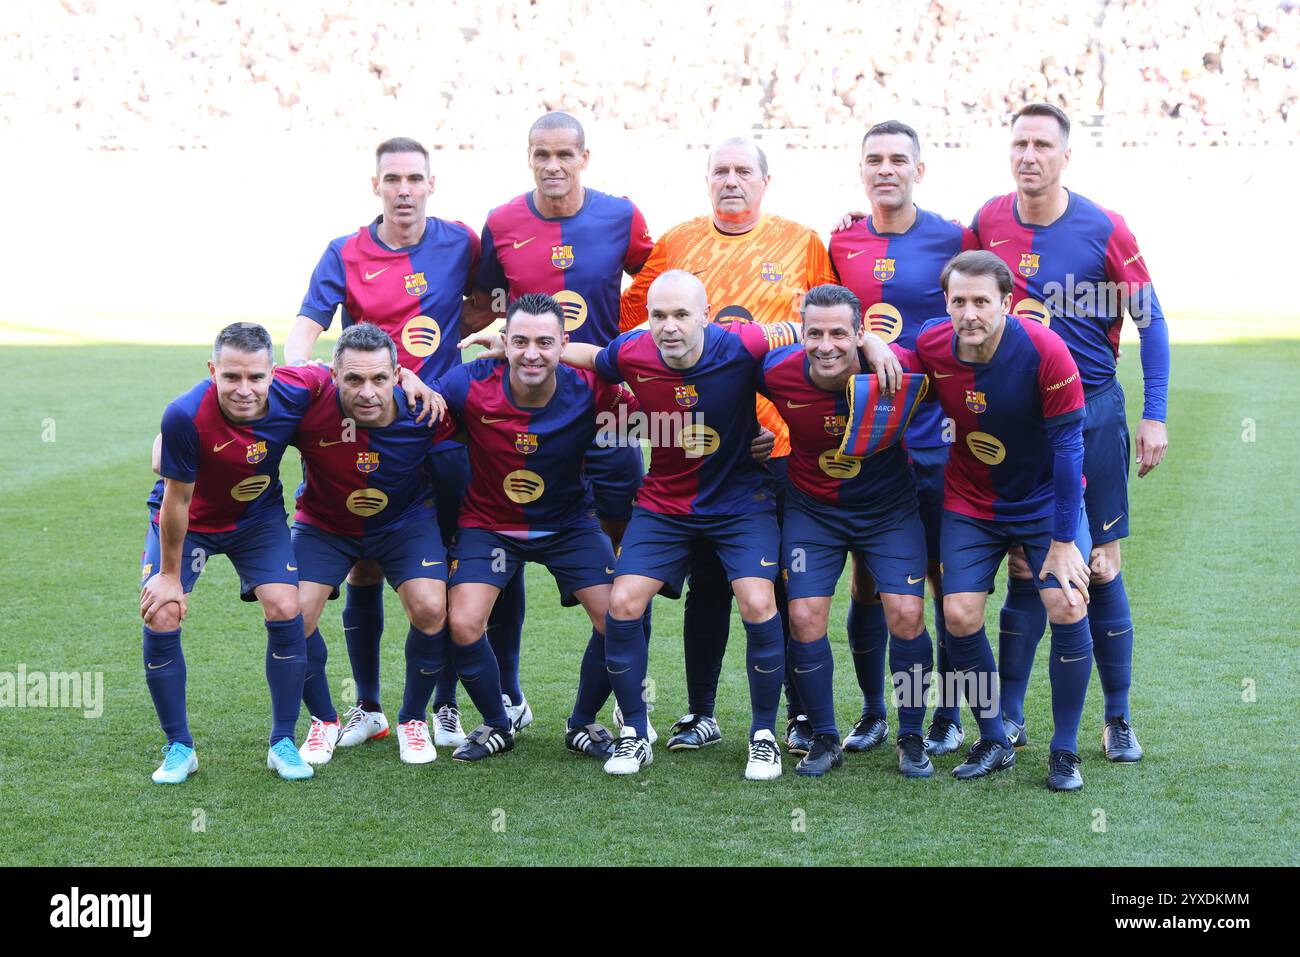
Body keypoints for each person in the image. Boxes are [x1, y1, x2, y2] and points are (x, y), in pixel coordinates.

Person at [619, 138, 838, 756]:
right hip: (700, 454)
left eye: (745, 171)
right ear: (706, 180)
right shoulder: (677, 244)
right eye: (721, 171)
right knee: (711, 585)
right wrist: (654, 411)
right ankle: (701, 711)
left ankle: (795, 717)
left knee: (781, 587)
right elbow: (635, 326)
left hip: (784, 445)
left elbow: (829, 325)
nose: (732, 181)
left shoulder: (804, 242)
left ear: (767, 182)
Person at [972, 104, 1169, 761]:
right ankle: (1011, 716)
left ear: (1065, 156)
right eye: (1019, 144)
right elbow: (939, 275)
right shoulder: (988, 220)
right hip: (1018, 423)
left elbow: (1153, 320)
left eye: (1042, 146)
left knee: (1102, 566)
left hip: (1091, 414)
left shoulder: (1103, 227)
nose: (1029, 156)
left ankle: (1116, 717)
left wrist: (1154, 412)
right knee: (1030, 565)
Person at [286, 136, 490, 749]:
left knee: (452, 573)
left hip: (440, 428)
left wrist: (438, 367)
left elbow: (482, 307)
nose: (404, 189)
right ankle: (370, 706)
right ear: (375, 185)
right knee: (365, 566)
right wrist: (306, 380)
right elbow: (305, 331)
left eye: (414, 178)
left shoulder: (460, 241)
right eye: (393, 179)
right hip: (367, 417)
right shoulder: (344, 252)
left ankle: (445, 705)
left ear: (432, 184)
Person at [464, 111, 655, 720]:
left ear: (584, 158)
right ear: (528, 157)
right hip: (521, 409)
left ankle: (627, 703)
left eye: (564, 155)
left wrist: (627, 357)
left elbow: (662, 284)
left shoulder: (621, 216)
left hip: (606, 416)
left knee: (628, 573)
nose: (553, 166)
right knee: (505, 550)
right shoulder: (501, 222)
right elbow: (475, 306)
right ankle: (510, 696)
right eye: (541, 154)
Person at [892, 251, 1094, 791]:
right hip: (970, 502)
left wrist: (1059, 541)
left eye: (982, 301)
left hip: (1044, 501)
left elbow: (1071, 446)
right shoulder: (935, 344)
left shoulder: (1043, 349)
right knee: (958, 614)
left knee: (1067, 602)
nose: (969, 313)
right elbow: (900, 356)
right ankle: (994, 738)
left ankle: (1065, 750)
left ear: (1006, 303)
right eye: (958, 301)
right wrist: (869, 343)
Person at [828, 120, 980, 757]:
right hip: (869, 441)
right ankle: (872, 712)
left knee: (944, 584)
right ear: (860, 171)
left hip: (937, 439)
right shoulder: (840, 242)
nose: (885, 169)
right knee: (868, 581)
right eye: (873, 160)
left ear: (919, 170)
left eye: (898, 160)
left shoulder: (953, 237)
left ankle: (947, 714)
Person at [439, 293, 639, 761]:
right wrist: (411, 384)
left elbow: (659, 406)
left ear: (564, 345)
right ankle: (495, 724)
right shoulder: (466, 384)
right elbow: (416, 419)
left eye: (545, 342)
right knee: (465, 622)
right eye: (521, 341)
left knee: (619, 618)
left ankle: (583, 723)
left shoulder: (592, 386)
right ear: (503, 342)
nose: (532, 353)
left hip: (569, 523)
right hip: (489, 525)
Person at [757, 285, 932, 778]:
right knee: (805, 616)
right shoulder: (776, 370)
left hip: (888, 511)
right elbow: (722, 385)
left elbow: (956, 388)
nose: (826, 345)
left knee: (906, 611)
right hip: (814, 512)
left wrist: (878, 347)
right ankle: (825, 737)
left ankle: (911, 734)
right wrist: (744, 436)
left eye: (840, 333)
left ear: (860, 333)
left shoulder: (893, 367)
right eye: (815, 333)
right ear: (801, 331)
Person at [139, 323, 323, 783]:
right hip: (192, 524)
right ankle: (179, 747)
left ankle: (283, 741)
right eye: (231, 377)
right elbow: (176, 502)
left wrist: (408, 378)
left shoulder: (296, 388)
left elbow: (348, 371)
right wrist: (168, 576)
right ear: (212, 371)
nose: (244, 390)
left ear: (273, 373)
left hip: (255, 521)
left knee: (287, 607)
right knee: (161, 612)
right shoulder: (184, 414)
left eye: (256, 378)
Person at [289, 324, 465, 767]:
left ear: (397, 374)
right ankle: (331, 718)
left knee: (429, 606)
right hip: (325, 524)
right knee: (292, 612)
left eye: (379, 379)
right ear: (333, 374)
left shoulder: (424, 409)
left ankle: (411, 720)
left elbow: (469, 451)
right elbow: (245, 391)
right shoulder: (305, 405)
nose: (368, 392)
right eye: (354, 379)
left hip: (403, 523)